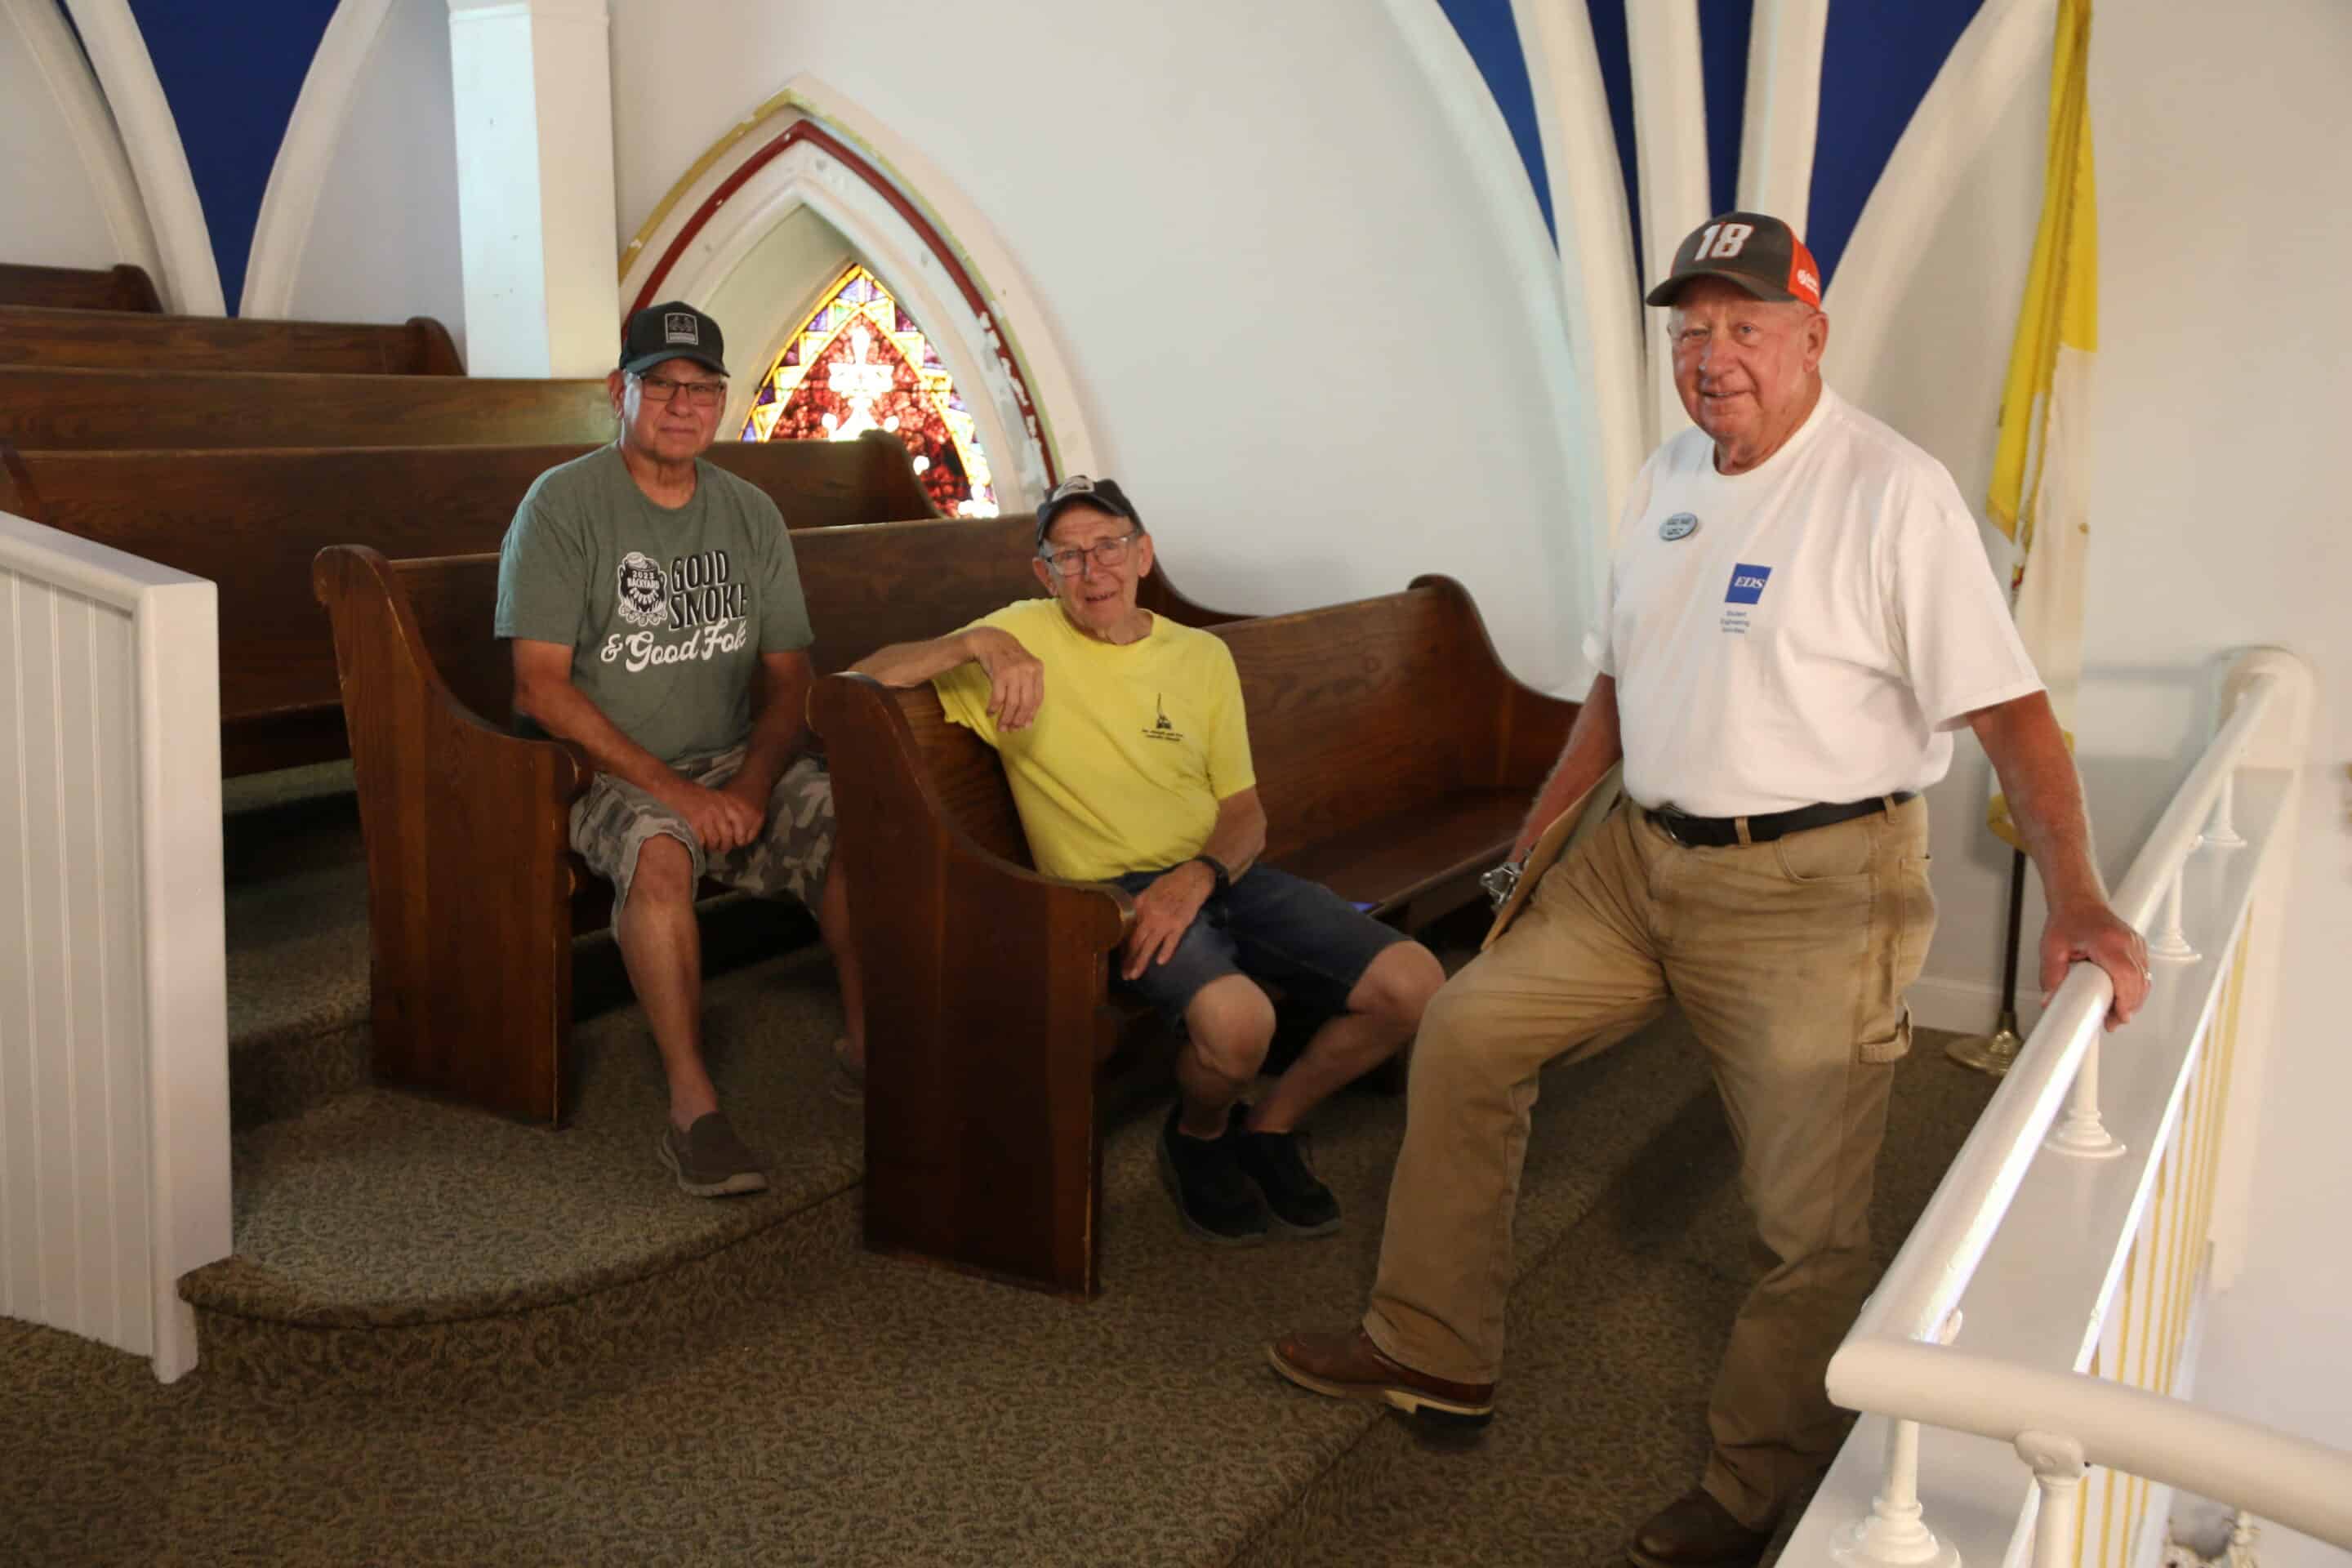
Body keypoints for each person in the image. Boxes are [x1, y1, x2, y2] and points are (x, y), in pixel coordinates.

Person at [1267, 213, 2151, 1568]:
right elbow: (1617, 694)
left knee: (1805, 1220)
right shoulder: (1666, 475)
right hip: (1634, 860)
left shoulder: (1888, 493)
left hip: (1815, 885)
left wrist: (2080, 899)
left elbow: (2016, 718)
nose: (1713, 356)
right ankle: (1433, 1350)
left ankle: (1756, 1485)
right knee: (1468, 1027)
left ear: (1810, 338)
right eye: (1692, 331)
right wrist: (1522, 864)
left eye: (1744, 327)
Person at [849, 475, 1446, 1245]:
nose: (1091, 571)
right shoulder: (1018, 637)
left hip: (1216, 870)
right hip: (1108, 894)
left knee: (1415, 985)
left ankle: (1267, 1130)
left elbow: (1243, 814)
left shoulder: (1199, 656)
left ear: (1143, 555)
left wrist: (1199, 876)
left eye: (1108, 548)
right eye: (1068, 557)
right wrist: (972, 643)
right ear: (1044, 574)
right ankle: (1197, 1137)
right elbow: (855, 687)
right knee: (1239, 1028)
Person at [495, 300, 866, 1199]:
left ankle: (868, 1047)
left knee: (863, 825)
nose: (683, 404)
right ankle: (692, 1106)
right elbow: (537, 688)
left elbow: (790, 677)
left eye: (703, 388)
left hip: (730, 760)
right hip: (606, 768)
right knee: (660, 856)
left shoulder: (750, 513)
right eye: (662, 384)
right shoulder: (563, 505)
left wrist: (747, 781)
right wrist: (683, 795)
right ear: (620, 391)